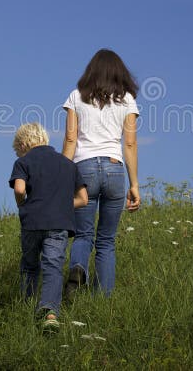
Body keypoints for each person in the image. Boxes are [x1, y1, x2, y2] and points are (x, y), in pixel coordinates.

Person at [62, 49, 140, 297]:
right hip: (115, 169)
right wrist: (134, 184)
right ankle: (102, 301)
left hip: (83, 168)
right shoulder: (127, 99)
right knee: (106, 241)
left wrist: (63, 177)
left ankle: (77, 268)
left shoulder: (77, 96)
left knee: (83, 234)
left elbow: (71, 139)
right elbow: (129, 144)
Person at [9, 123, 88, 330]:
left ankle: (27, 305)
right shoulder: (68, 164)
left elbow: (19, 189)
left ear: (24, 143)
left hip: (32, 222)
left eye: (17, 148)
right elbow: (83, 199)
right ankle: (50, 313)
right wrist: (60, 203)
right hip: (58, 223)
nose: (17, 152)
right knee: (53, 265)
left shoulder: (23, 162)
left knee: (29, 265)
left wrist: (22, 204)